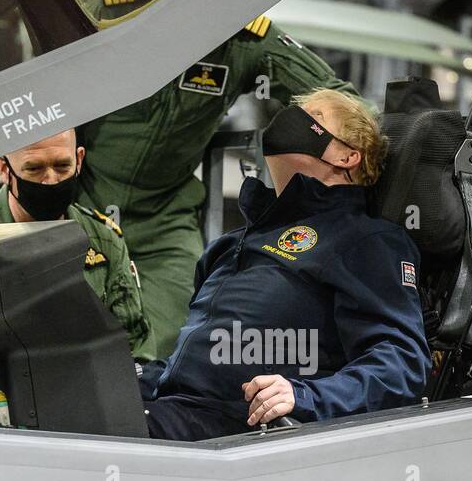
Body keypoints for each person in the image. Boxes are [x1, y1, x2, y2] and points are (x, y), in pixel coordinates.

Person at [81, 0, 360, 359]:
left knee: (173, 347)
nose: (191, 12)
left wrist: (355, 148)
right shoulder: (111, 14)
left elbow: (340, 97)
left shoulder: (246, 44)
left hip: (163, 222)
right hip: (81, 204)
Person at [141, 89, 431, 441]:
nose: (293, 118)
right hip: (172, 404)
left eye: (315, 118)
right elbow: (193, 360)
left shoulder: (366, 240)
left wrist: (305, 396)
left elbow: (402, 365)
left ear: (347, 155)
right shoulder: (231, 243)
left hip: (236, 425)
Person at [0, 128, 153, 360]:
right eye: (34, 169)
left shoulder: (103, 237)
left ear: (79, 160)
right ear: (4, 169)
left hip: (83, 383)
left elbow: (134, 344)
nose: (50, 180)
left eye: (62, 166)